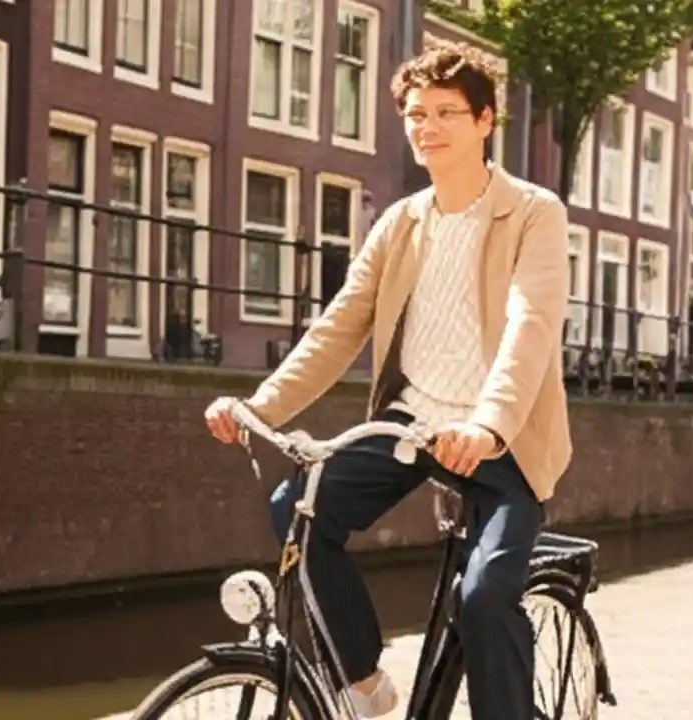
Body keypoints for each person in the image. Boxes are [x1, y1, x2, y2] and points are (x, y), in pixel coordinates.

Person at [204, 40, 572, 720]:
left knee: (486, 595)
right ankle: (366, 685)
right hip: (412, 422)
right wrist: (260, 408)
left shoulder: (532, 213)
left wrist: (488, 424)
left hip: (501, 437)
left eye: (445, 112)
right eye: (413, 114)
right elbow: (341, 326)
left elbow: (531, 322)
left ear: (486, 120)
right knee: (300, 511)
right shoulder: (399, 224)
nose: (426, 127)